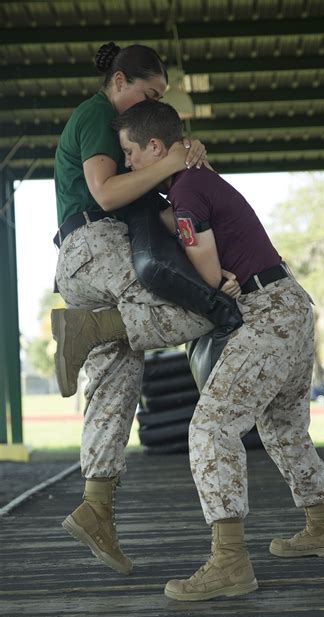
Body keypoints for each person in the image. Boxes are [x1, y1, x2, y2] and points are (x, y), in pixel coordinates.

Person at [112, 100, 324, 601]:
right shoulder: (195, 176)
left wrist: (216, 280)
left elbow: (201, 254)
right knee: (282, 425)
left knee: (211, 426)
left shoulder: (190, 187)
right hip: (289, 303)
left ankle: (229, 562)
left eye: (131, 152)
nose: (128, 162)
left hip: (267, 311)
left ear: (155, 147)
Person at [52, 42, 240, 577]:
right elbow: (106, 194)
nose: (147, 103)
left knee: (117, 379)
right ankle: (90, 326)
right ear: (117, 82)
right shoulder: (96, 114)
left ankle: (97, 506)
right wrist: (175, 159)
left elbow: (154, 208)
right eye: (147, 93)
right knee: (208, 310)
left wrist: (181, 161)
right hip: (96, 245)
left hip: (86, 259)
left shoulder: (125, 141)